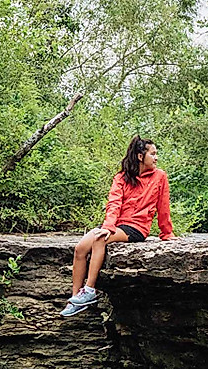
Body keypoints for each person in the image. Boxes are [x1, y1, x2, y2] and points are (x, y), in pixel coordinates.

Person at [61, 135, 173, 317]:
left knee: (100, 239)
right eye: (153, 154)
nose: (156, 158)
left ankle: (89, 290)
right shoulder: (121, 177)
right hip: (118, 224)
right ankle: (75, 299)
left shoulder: (160, 176)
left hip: (137, 227)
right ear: (140, 156)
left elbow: (163, 207)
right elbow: (114, 204)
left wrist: (167, 233)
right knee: (80, 248)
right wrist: (108, 226)